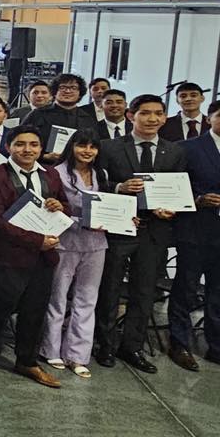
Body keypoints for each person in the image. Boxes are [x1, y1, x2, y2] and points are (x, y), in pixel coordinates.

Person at [95, 94, 187, 373]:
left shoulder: (174, 151)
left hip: (154, 231)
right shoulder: (109, 147)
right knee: (109, 288)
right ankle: (105, 345)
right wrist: (119, 188)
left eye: (158, 113)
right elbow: (96, 183)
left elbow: (178, 189)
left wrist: (170, 209)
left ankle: (131, 346)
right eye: (145, 113)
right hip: (120, 227)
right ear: (131, 115)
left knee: (144, 291)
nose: (152, 119)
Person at [0, 125, 67, 390]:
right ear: (9, 147)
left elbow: (64, 205)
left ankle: (27, 360)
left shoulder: (51, 174)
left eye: (34, 144)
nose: (28, 149)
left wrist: (61, 206)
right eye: (21, 144)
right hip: (8, 257)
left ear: (41, 148)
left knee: (34, 311)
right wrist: (37, 241)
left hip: (44, 258)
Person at [42, 129, 111, 379]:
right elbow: (51, 208)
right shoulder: (55, 173)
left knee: (87, 299)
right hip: (65, 240)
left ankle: (78, 354)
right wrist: (78, 219)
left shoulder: (100, 173)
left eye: (93, 147)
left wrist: (123, 218)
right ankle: (50, 349)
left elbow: (109, 206)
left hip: (96, 243)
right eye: (82, 145)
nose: (87, 151)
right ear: (72, 146)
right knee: (58, 297)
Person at [172, 100, 220, 369]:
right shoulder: (188, 148)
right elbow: (173, 186)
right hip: (196, 230)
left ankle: (216, 345)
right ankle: (179, 342)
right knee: (186, 288)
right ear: (210, 118)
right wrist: (198, 199)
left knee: (218, 291)